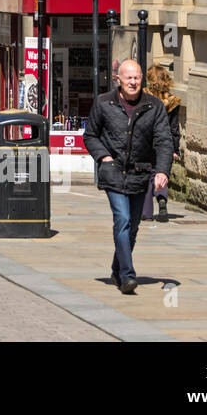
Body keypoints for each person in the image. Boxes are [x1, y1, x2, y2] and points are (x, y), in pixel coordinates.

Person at [84, 58, 173, 295]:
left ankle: (116, 268)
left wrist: (163, 171)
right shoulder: (104, 103)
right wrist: (104, 157)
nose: (133, 82)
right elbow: (90, 135)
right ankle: (127, 276)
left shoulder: (154, 106)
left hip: (140, 173)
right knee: (122, 220)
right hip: (113, 172)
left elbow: (164, 140)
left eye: (137, 78)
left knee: (132, 227)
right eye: (128, 78)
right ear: (118, 80)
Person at [142, 64, 182, 223]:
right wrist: (175, 148)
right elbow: (174, 128)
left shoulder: (144, 97)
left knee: (147, 174)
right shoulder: (172, 101)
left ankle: (146, 213)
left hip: (147, 142)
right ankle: (161, 198)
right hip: (165, 143)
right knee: (161, 172)